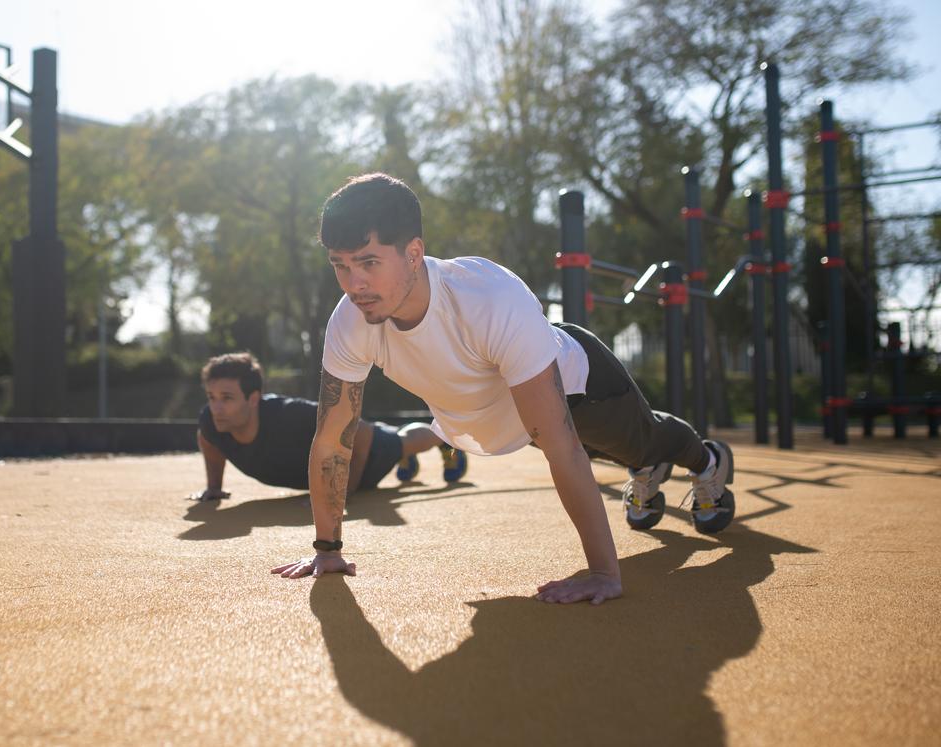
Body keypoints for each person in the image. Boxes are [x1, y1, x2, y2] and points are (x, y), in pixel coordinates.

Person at [271, 173, 736, 606]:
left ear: (413, 253)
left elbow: (563, 446)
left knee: (642, 441)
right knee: (614, 452)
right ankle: (647, 467)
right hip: (516, 412)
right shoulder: (352, 321)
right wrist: (327, 549)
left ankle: (707, 461)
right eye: (341, 266)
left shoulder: (486, 298)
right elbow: (333, 440)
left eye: (369, 262)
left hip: (580, 387)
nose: (355, 284)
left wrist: (602, 572)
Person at [194, 352, 467, 501]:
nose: (216, 408)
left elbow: (357, 431)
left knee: (398, 441)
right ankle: (404, 451)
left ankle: (443, 436)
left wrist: (347, 489)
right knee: (390, 434)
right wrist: (214, 487)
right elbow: (207, 438)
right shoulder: (211, 422)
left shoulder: (290, 414)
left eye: (226, 398)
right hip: (347, 454)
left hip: (364, 454)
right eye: (211, 397)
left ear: (253, 398)